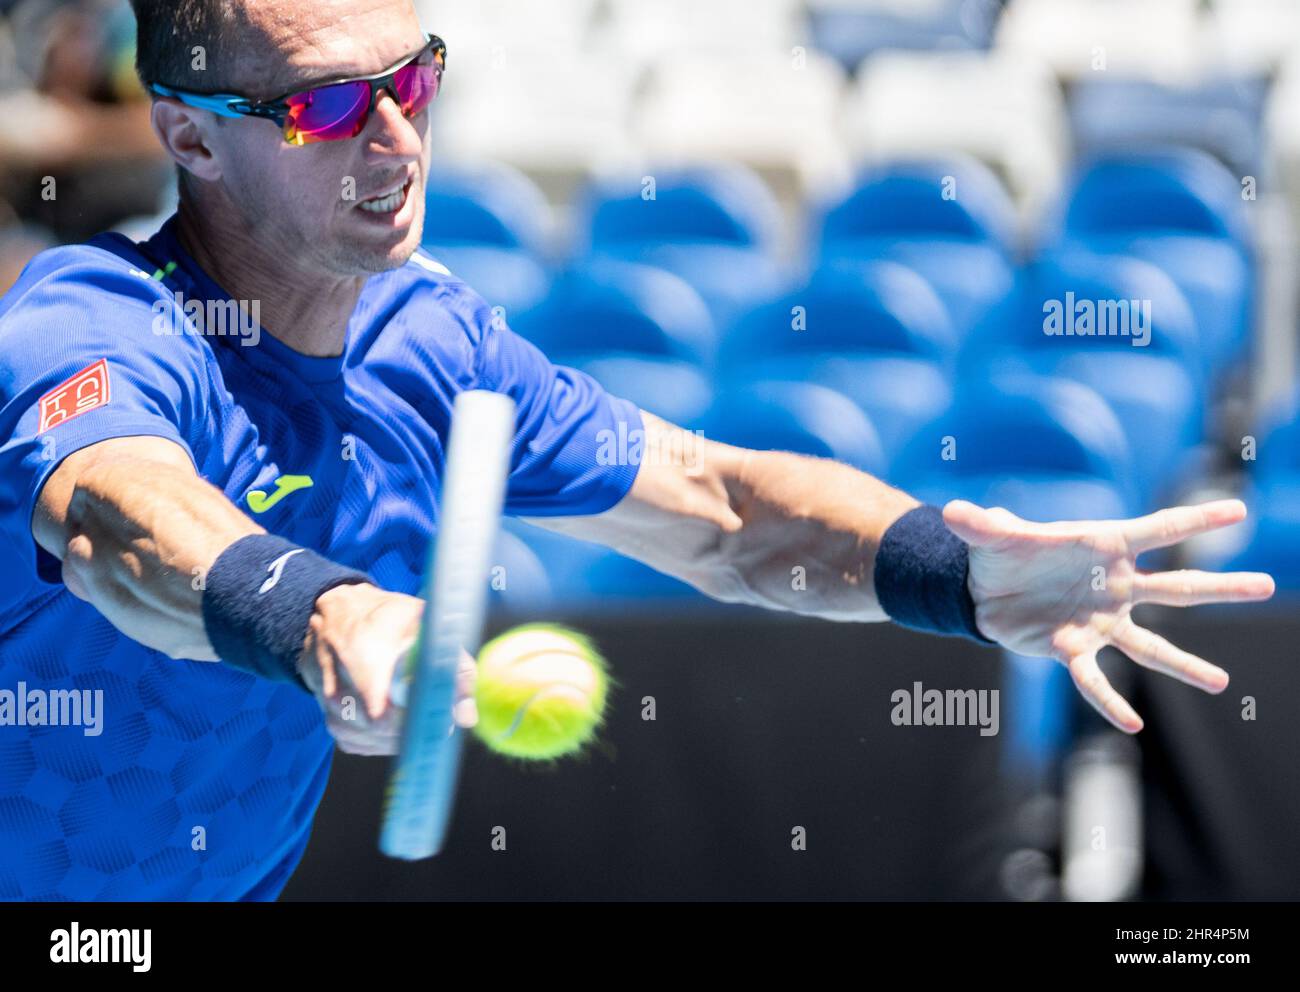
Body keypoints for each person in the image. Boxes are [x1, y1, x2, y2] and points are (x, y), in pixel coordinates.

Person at [0, 0, 1273, 900]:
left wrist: (950, 572)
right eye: (326, 105)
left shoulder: (431, 341)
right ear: (188, 136)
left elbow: (720, 507)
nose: (391, 139)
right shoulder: (92, 315)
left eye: (413, 78)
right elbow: (118, 517)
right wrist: (318, 612)